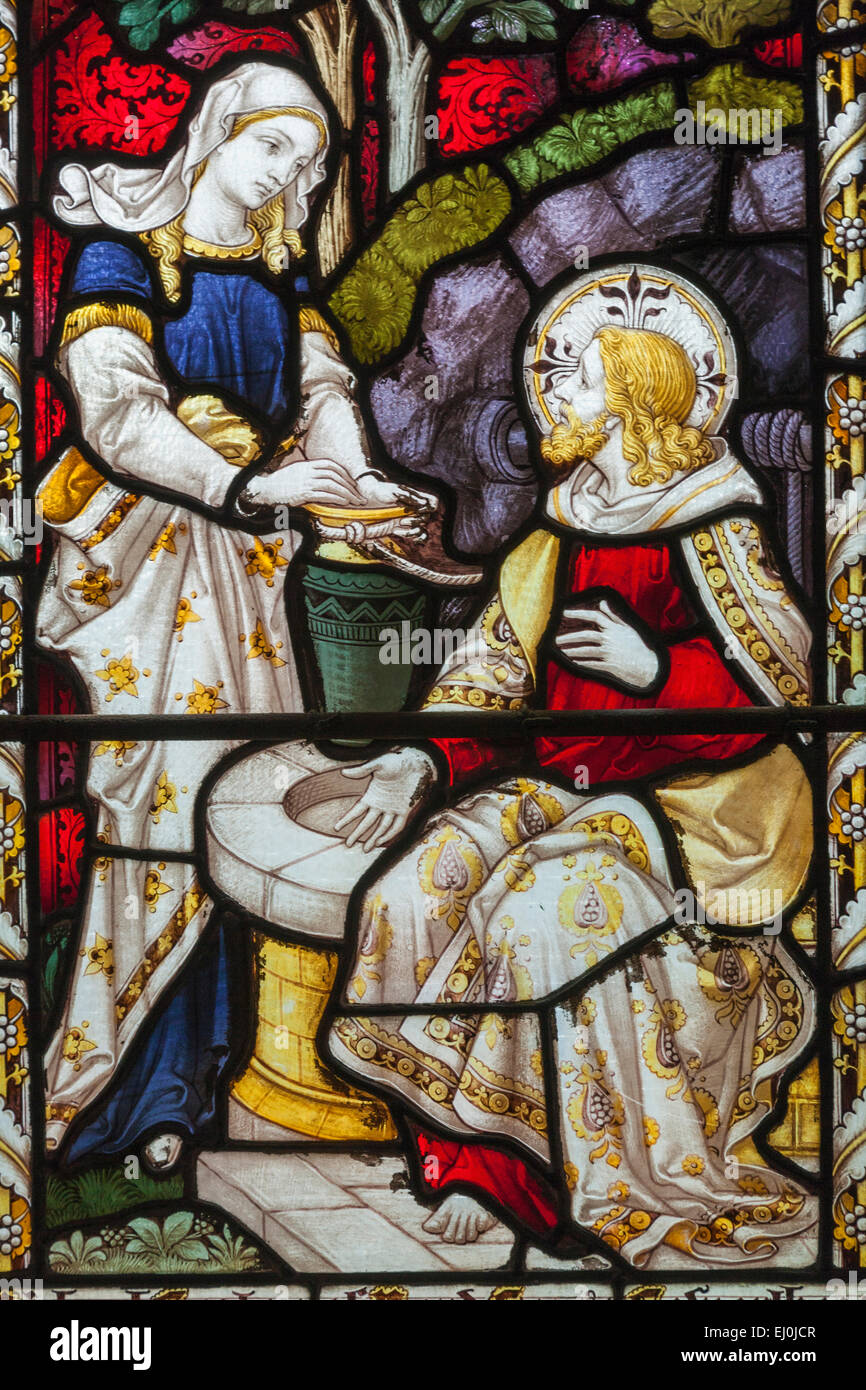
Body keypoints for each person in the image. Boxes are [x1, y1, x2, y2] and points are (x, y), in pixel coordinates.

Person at [326, 263, 817, 1268]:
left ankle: (559, 1173)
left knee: (534, 911)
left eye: (575, 379)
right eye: (551, 376)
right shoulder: (563, 523)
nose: (551, 395)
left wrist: (659, 668)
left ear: (636, 394)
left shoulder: (715, 520)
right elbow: (493, 670)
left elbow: (785, 683)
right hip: (570, 787)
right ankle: (473, 1159)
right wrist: (415, 762)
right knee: (414, 887)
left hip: (701, 813)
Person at [37, 60, 432, 1164]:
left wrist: (357, 490)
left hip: (250, 586)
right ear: (215, 130)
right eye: (274, 148)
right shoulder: (123, 262)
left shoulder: (273, 275)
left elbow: (323, 398)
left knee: (241, 800)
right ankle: (114, 1092)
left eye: (306, 166)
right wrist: (248, 489)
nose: (288, 179)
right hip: (153, 579)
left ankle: (208, 1085)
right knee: (167, 807)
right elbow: (116, 411)